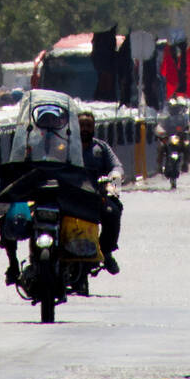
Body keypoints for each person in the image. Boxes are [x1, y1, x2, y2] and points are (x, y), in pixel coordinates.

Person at [77, 111, 123, 278]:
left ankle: (105, 252)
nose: (85, 129)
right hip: (70, 197)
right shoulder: (66, 147)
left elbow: (117, 167)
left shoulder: (101, 148)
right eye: (82, 125)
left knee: (113, 211)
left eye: (89, 126)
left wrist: (114, 184)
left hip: (95, 197)